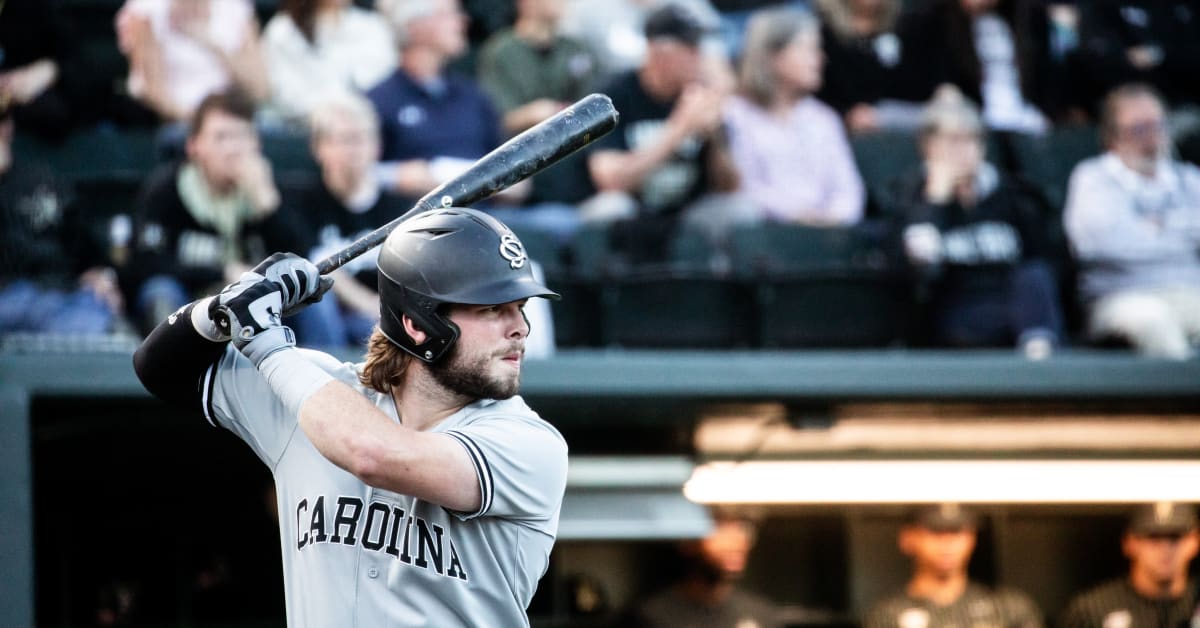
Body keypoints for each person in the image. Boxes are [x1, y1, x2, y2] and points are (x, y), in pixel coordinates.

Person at [131, 206, 568, 627]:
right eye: (492, 309)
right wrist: (223, 309)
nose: (520, 328)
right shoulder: (314, 387)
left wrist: (267, 345)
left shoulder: (529, 443)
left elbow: (372, 453)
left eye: (520, 307)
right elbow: (159, 369)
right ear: (418, 324)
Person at [890, 93, 1062, 354]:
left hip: (1014, 305)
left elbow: (1041, 256)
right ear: (928, 146)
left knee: (1033, 276)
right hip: (952, 311)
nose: (964, 151)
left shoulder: (1010, 194)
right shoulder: (910, 195)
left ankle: (1040, 358)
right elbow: (918, 267)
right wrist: (936, 200)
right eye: (952, 141)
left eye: (972, 139)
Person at [585, 2, 747, 264]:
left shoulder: (701, 95)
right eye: (690, 49)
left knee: (742, 212)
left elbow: (730, 186)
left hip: (687, 212)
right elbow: (610, 180)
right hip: (633, 210)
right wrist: (680, 129)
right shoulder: (615, 94)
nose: (699, 58)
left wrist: (715, 135)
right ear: (657, 52)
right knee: (609, 209)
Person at [128, 90, 298, 333]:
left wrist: (267, 203)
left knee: (311, 302)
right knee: (160, 290)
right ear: (194, 146)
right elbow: (146, 263)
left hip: (258, 305)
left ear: (257, 143)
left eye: (242, 136)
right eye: (221, 137)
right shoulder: (166, 190)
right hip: (190, 302)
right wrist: (221, 271)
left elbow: (300, 262)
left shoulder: (269, 188)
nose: (233, 149)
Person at [1062, 84, 1200, 359]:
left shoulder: (1188, 177)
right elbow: (1097, 244)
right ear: (1113, 137)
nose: (1150, 139)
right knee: (1154, 322)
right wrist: (1177, 233)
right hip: (1121, 297)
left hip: (1190, 291)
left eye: (1157, 126)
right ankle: (1182, 402)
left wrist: (1151, 230)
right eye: (1138, 129)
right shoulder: (1093, 178)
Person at [283, 93, 411, 350]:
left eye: (363, 138)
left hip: (379, 322)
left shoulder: (400, 209)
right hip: (323, 320)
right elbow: (308, 267)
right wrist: (370, 306)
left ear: (378, 146)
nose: (355, 150)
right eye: (344, 140)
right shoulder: (298, 200)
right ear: (319, 148)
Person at [724, 6, 865, 226]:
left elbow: (848, 189)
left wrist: (833, 217)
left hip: (829, 235)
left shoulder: (824, 119)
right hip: (765, 234)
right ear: (773, 56)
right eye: (808, 49)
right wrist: (799, 216)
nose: (819, 59)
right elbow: (743, 187)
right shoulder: (735, 115)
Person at [0, 109, 124, 336]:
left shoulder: (43, 180)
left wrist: (98, 274)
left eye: (2, 119)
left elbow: (85, 247)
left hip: (60, 298)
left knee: (102, 320)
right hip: (8, 301)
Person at [369, 0, 510, 201]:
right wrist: (396, 175)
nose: (463, 20)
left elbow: (517, 179)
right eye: (449, 13)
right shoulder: (377, 101)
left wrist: (440, 176)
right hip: (415, 223)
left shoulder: (474, 96)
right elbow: (360, 174)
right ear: (415, 26)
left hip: (487, 220)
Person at [475, 0, 599, 228]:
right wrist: (537, 112)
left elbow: (594, 110)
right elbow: (496, 118)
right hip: (525, 168)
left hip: (575, 167)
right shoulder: (501, 50)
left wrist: (555, 112)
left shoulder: (576, 49)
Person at [863, 503, 1043, 628]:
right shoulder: (887, 615)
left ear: (972, 538)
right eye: (935, 532)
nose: (947, 544)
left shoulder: (1008, 608)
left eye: (957, 532)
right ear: (908, 538)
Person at [116, 0, 269, 124]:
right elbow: (152, 90)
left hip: (236, 119)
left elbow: (260, 90)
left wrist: (210, 43)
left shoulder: (236, 7)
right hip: (174, 122)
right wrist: (202, 123)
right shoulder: (146, 8)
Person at [813, 0, 951, 134]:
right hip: (843, 134)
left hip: (910, 131)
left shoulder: (913, 26)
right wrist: (846, 115)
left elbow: (934, 88)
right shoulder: (823, 36)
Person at [628, 510, 783, 628]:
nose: (736, 541)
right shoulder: (652, 616)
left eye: (742, 530)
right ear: (688, 543)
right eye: (721, 530)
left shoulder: (760, 614)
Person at [1058, 502, 1200, 628]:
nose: (1165, 548)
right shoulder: (1092, 611)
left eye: (1175, 537)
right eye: (1153, 536)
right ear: (1129, 542)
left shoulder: (1195, 603)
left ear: (1194, 541)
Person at [261, 0, 397, 123]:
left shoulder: (372, 26)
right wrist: (331, 113)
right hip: (306, 126)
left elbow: (384, 82)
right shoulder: (283, 30)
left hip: (369, 123)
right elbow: (286, 93)